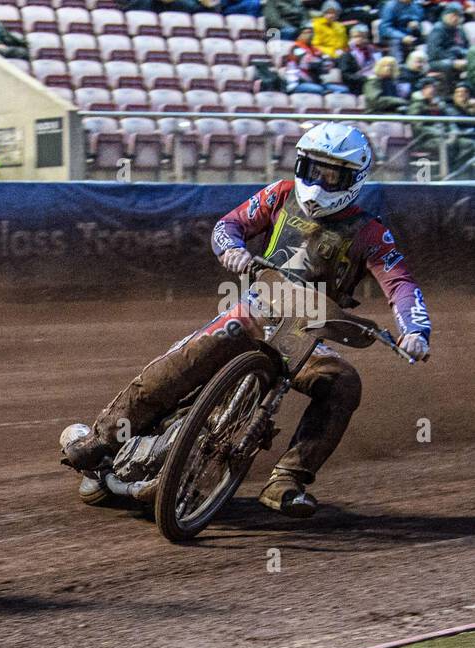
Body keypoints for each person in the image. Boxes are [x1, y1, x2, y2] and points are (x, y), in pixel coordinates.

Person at [61, 122, 431, 519]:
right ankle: (102, 440)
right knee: (187, 360)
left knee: (342, 382)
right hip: (257, 309)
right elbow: (228, 225)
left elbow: (401, 284)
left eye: (331, 174)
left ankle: (287, 480)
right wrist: (233, 249)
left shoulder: (372, 233)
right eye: (312, 169)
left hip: (307, 334)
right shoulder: (280, 193)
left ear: (353, 179)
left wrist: (415, 330)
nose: (318, 181)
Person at [282, 25, 349, 94]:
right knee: (318, 89)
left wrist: (323, 63)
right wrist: (322, 63)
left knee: (343, 90)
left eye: (311, 32)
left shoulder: (315, 49)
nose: (309, 35)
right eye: (306, 33)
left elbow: (328, 64)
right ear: (299, 36)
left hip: (316, 83)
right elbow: (309, 64)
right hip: (297, 83)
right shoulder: (295, 48)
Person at [425, 3, 468, 90]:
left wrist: (464, 56)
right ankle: (449, 92)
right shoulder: (438, 29)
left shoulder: (459, 30)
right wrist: (453, 61)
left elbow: (466, 47)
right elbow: (435, 52)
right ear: (445, 15)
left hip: (457, 58)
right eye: (453, 15)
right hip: (436, 61)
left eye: (458, 16)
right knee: (448, 64)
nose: (455, 18)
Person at [336, 23, 379, 94]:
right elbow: (345, 76)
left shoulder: (373, 51)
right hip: (357, 84)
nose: (360, 39)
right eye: (356, 36)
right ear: (351, 38)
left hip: (374, 80)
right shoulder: (347, 54)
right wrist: (365, 78)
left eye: (363, 36)